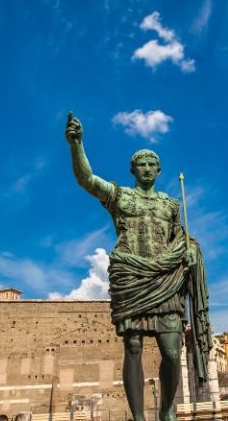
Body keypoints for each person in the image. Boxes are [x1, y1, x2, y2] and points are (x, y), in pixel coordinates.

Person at [65, 113, 210, 421]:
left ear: (158, 170)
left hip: (165, 281)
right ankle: (139, 418)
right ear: (133, 169)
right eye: (140, 164)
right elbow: (87, 180)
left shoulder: (170, 205)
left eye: (151, 164)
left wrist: (190, 252)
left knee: (171, 352)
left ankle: (167, 409)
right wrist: (76, 145)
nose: (146, 168)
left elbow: (181, 240)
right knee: (132, 346)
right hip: (131, 278)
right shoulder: (120, 197)